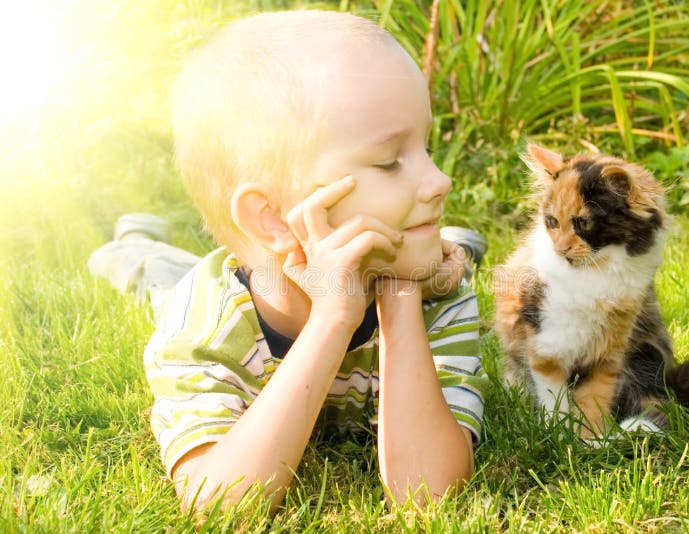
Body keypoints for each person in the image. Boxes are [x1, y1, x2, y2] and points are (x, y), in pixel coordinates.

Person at [89, 10, 489, 513]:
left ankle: (453, 241)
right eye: (389, 162)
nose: (440, 181)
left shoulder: (437, 298)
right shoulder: (205, 326)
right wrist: (333, 318)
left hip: (386, 279)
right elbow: (221, 503)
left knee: (441, 251)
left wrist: (399, 295)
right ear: (273, 219)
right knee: (160, 278)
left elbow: (430, 494)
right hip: (200, 288)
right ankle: (133, 242)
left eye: (426, 147)